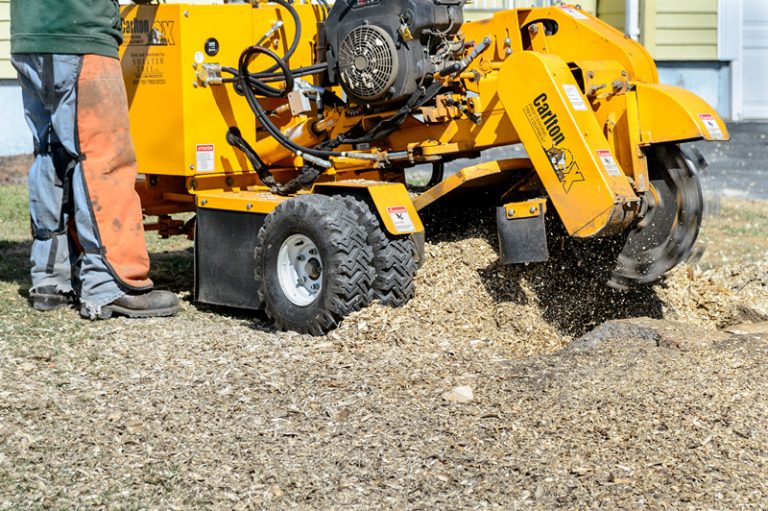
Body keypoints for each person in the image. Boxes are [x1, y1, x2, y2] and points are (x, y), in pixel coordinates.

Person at [10, 0, 181, 319]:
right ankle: (110, 284)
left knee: (51, 153)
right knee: (104, 156)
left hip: (29, 37)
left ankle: (50, 278)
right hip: (81, 33)